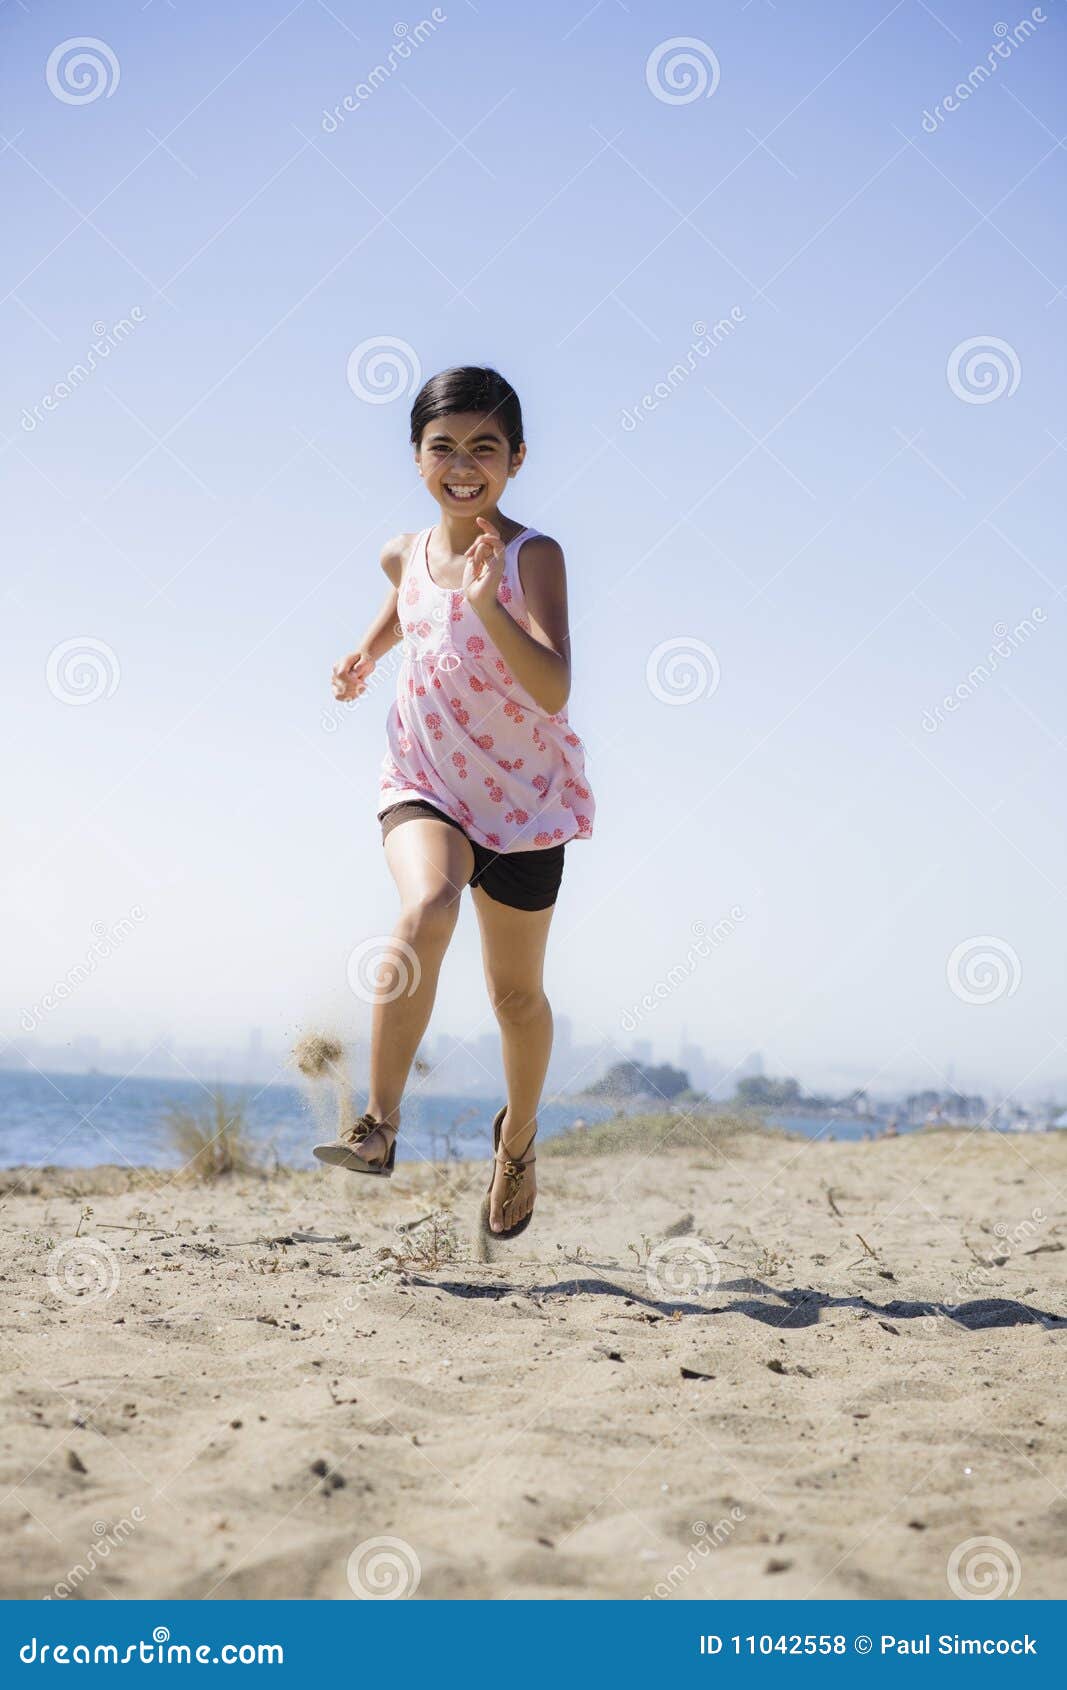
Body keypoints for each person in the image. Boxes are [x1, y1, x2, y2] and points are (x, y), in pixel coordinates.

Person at [314, 366, 594, 1238]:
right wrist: (363, 652)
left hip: (524, 803)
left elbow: (551, 688)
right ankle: (379, 1124)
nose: (462, 465)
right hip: (424, 781)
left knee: (515, 998)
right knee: (426, 902)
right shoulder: (405, 550)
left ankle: (516, 1142)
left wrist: (487, 604)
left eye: (484, 447)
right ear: (416, 456)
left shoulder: (529, 556)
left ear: (516, 458)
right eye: (443, 447)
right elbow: (407, 600)